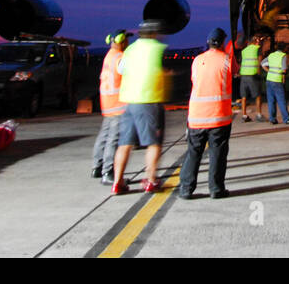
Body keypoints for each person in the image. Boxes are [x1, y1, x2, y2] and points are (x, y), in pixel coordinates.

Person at [111, 23, 168, 194]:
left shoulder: (131, 49)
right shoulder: (158, 48)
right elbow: (162, 71)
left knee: (124, 144)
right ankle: (150, 180)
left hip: (130, 101)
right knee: (153, 143)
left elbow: (121, 69)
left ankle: (117, 182)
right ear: (154, 34)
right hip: (149, 100)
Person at [179, 28, 234, 200]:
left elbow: (195, 80)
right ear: (223, 42)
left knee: (193, 153)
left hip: (196, 116)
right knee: (217, 153)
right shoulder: (227, 60)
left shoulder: (197, 60)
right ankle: (216, 189)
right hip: (219, 116)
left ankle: (186, 189)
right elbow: (233, 75)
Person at [91, 31, 127, 181]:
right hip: (117, 104)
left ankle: (96, 167)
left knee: (104, 136)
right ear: (121, 41)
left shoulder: (109, 56)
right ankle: (108, 172)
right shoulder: (120, 57)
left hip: (106, 103)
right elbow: (129, 75)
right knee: (114, 138)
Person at [264, 44, 289, 124]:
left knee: (271, 101)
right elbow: (284, 70)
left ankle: (272, 119)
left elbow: (262, 64)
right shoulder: (283, 56)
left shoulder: (271, 55)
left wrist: (269, 71)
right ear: (284, 49)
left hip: (269, 79)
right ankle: (286, 118)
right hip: (277, 80)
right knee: (281, 100)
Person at [238, 34, 265, 122]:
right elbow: (259, 62)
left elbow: (242, 62)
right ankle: (259, 114)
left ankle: (244, 115)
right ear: (256, 41)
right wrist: (259, 74)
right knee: (257, 95)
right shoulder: (257, 49)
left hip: (244, 75)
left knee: (244, 96)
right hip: (253, 75)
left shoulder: (244, 50)